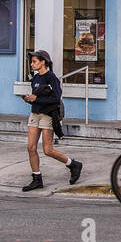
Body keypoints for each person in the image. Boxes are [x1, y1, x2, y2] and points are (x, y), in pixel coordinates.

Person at [20, 50, 82, 192]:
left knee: (48, 150)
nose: (32, 64)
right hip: (35, 113)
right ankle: (37, 178)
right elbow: (37, 97)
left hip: (48, 115)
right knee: (30, 147)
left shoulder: (51, 77)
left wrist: (37, 99)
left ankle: (73, 164)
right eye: (32, 62)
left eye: (35, 61)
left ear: (43, 62)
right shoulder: (35, 79)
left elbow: (56, 98)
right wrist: (29, 99)